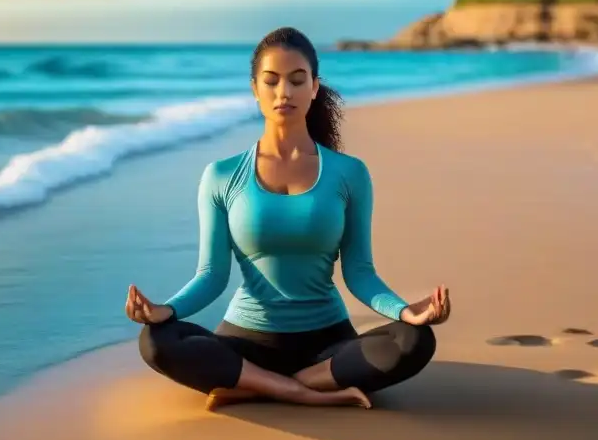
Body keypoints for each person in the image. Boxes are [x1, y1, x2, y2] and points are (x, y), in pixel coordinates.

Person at [126, 27, 449, 411]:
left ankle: (263, 386)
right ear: (255, 89)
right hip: (245, 343)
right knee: (156, 340)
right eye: (272, 81)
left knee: (415, 340)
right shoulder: (222, 176)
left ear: (314, 88)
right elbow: (211, 275)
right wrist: (168, 310)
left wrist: (405, 311)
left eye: (298, 81)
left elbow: (360, 272)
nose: (285, 92)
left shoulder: (349, 174)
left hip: (327, 345)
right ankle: (296, 391)